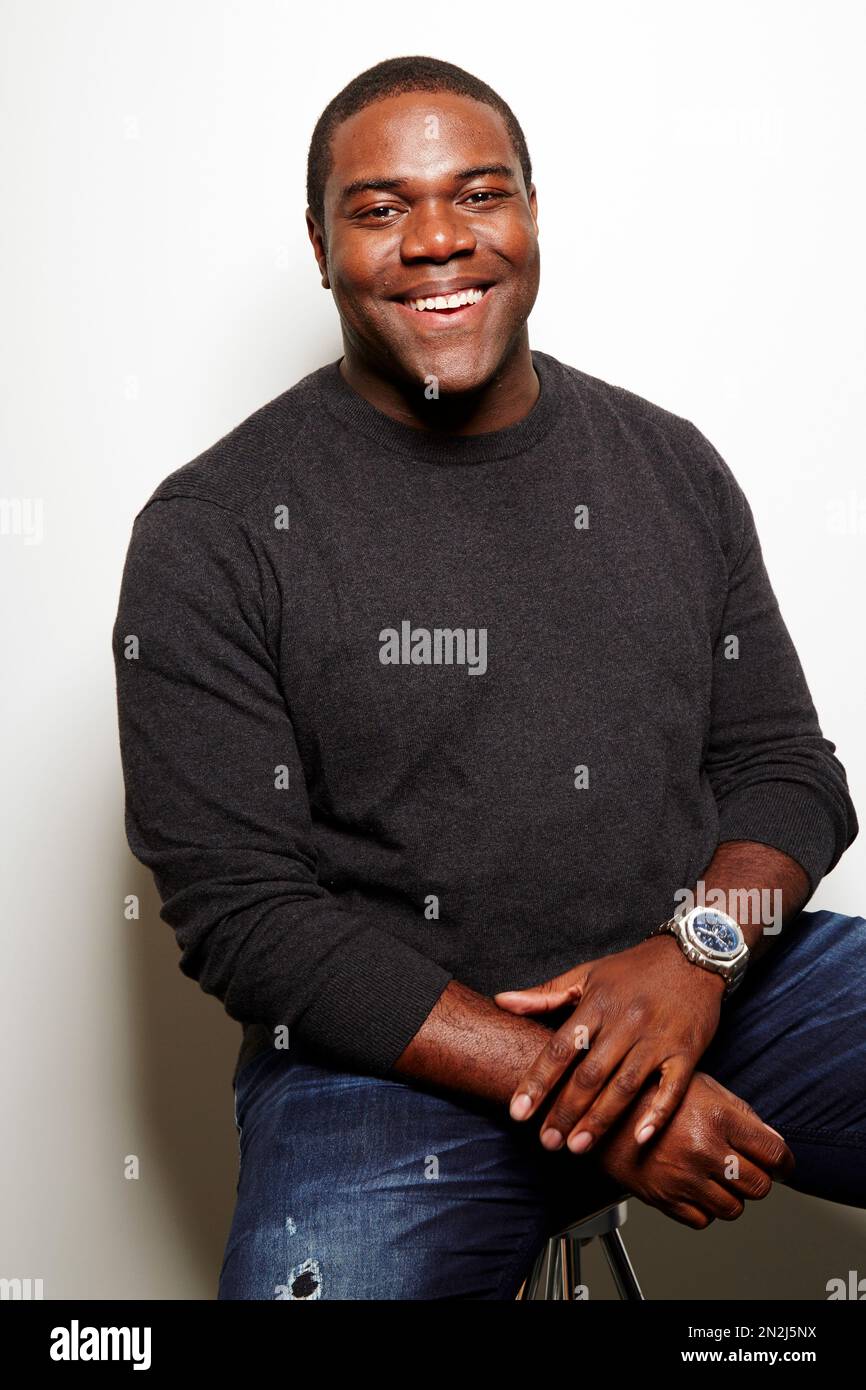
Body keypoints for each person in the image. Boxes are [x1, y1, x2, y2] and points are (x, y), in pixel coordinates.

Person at [112, 56, 864, 1300]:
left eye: (478, 193)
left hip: (714, 987)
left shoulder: (667, 466)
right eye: (378, 207)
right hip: (386, 1062)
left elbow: (787, 772)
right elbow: (245, 913)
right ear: (318, 244)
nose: (437, 239)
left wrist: (696, 952)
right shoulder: (216, 528)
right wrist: (577, 1079)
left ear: (528, 214)